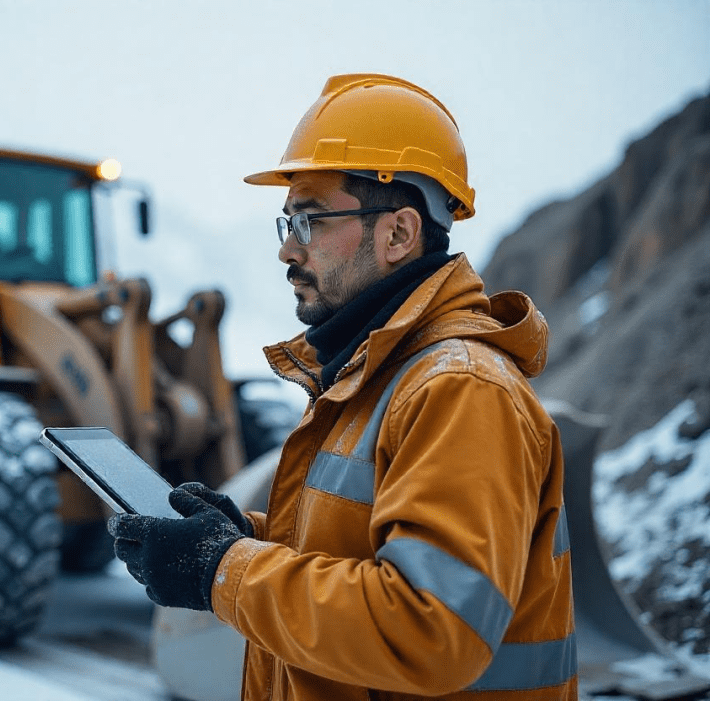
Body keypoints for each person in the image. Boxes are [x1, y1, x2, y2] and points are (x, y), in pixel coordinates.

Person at [109, 74, 577, 700]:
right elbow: (361, 552)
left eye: (309, 221)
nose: (287, 251)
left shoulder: (460, 391)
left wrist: (223, 568)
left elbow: (430, 629)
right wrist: (247, 536)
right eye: (287, 223)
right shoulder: (375, 378)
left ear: (398, 234)